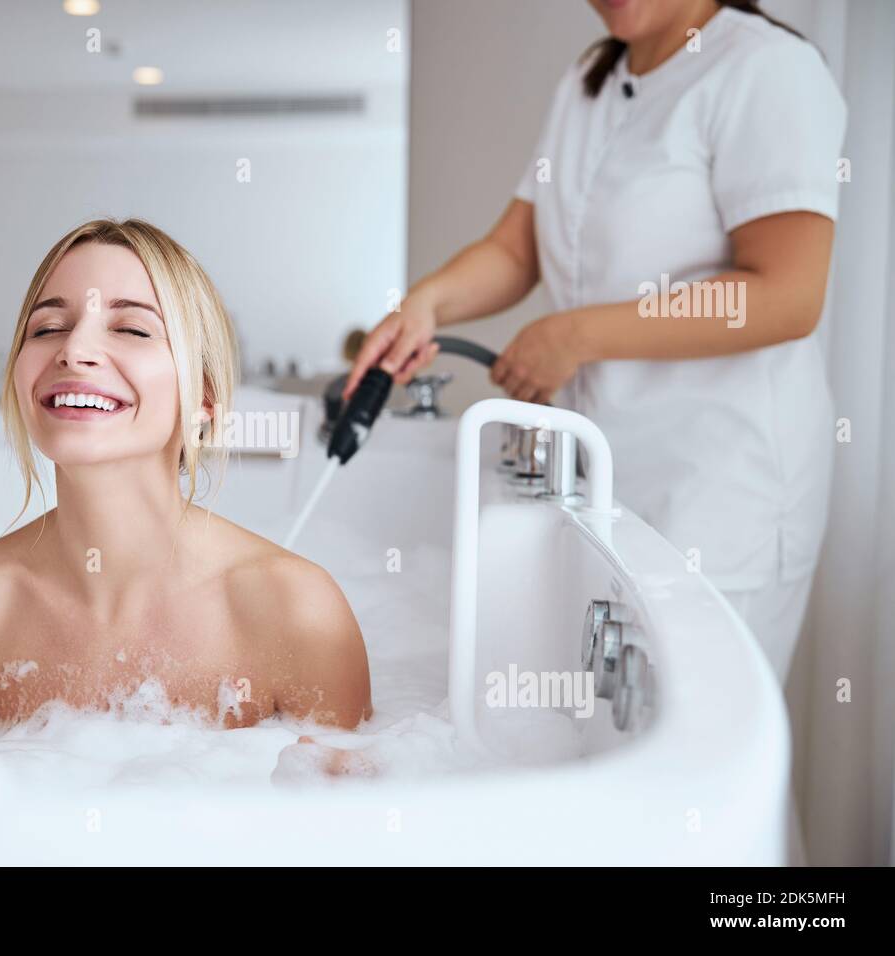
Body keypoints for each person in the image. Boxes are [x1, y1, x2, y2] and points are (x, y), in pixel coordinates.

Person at [344, 0, 846, 685]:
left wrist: (576, 335)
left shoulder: (766, 69)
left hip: (720, 492)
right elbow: (516, 250)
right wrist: (426, 304)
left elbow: (787, 295)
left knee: (693, 729)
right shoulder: (590, 81)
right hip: (607, 482)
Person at [0, 218, 373, 728]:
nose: (73, 350)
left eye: (131, 329)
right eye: (47, 328)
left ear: (204, 397)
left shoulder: (296, 614)